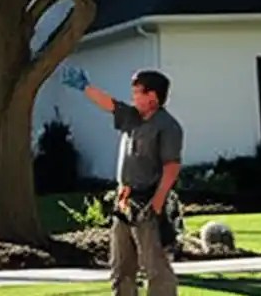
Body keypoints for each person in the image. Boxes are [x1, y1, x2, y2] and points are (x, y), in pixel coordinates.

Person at [61, 65, 183, 296]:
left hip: (148, 204)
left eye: (138, 92)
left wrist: (157, 203)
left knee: (155, 269)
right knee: (121, 268)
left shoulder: (167, 127)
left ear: (153, 97)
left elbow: (171, 167)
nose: (133, 96)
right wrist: (85, 88)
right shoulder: (132, 119)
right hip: (124, 202)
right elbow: (111, 105)